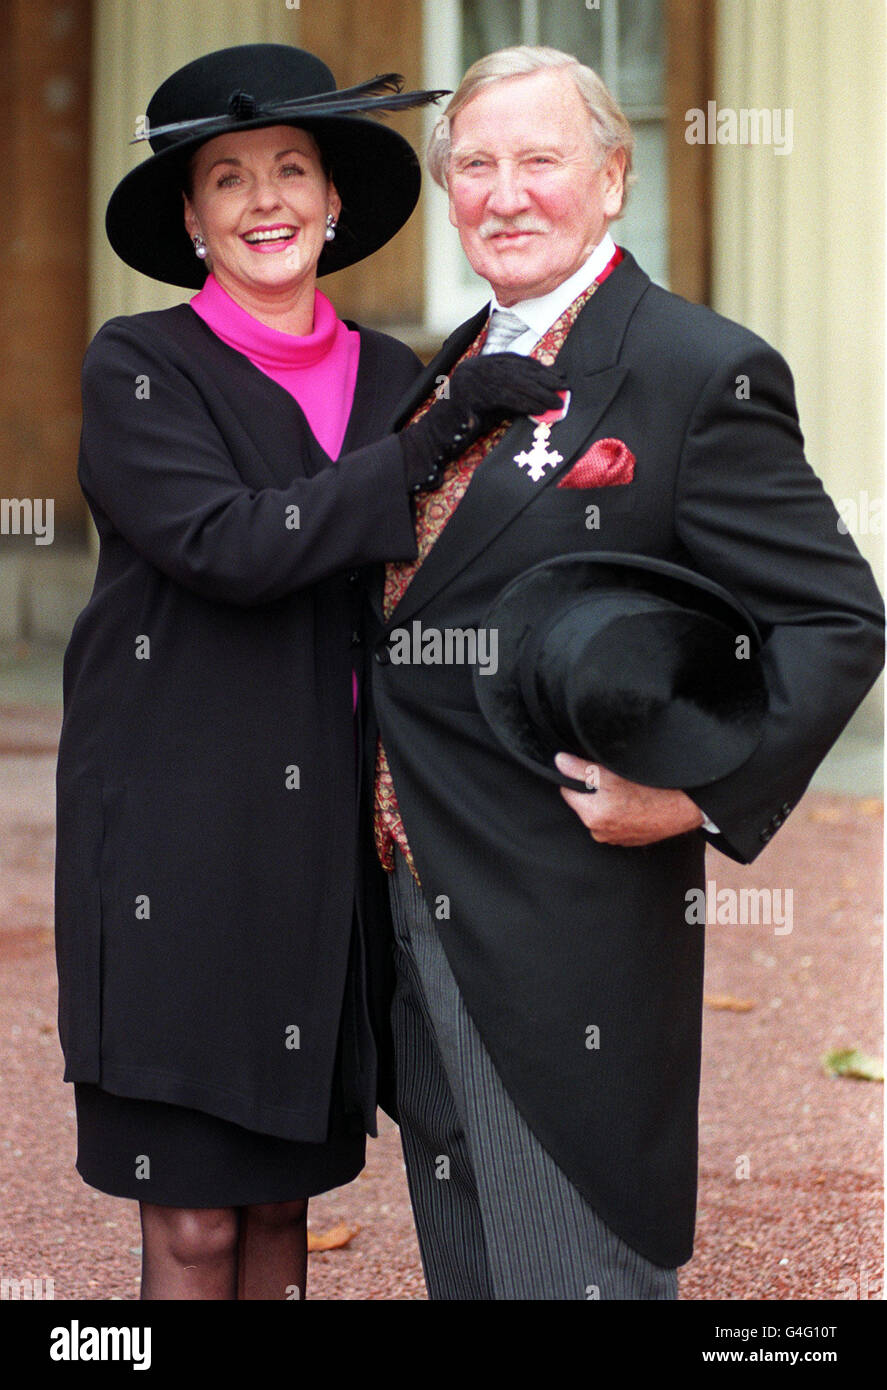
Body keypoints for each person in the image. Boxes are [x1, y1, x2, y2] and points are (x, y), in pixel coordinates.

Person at [367, 45, 885, 1300]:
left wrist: (695, 798)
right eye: (474, 166)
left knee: (570, 1271)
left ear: (611, 178)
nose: (503, 193)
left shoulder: (694, 368)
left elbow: (832, 617)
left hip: (563, 927)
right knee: (472, 1267)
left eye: (538, 161)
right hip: (406, 894)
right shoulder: (447, 366)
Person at [54, 42, 562, 1301]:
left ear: (335, 201)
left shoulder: (396, 380)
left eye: (292, 169)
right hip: (175, 836)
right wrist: (429, 443)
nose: (265, 198)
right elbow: (227, 545)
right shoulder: (139, 365)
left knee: (279, 1202)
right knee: (195, 1227)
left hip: (326, 836)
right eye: (228, 179)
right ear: (191, 217)